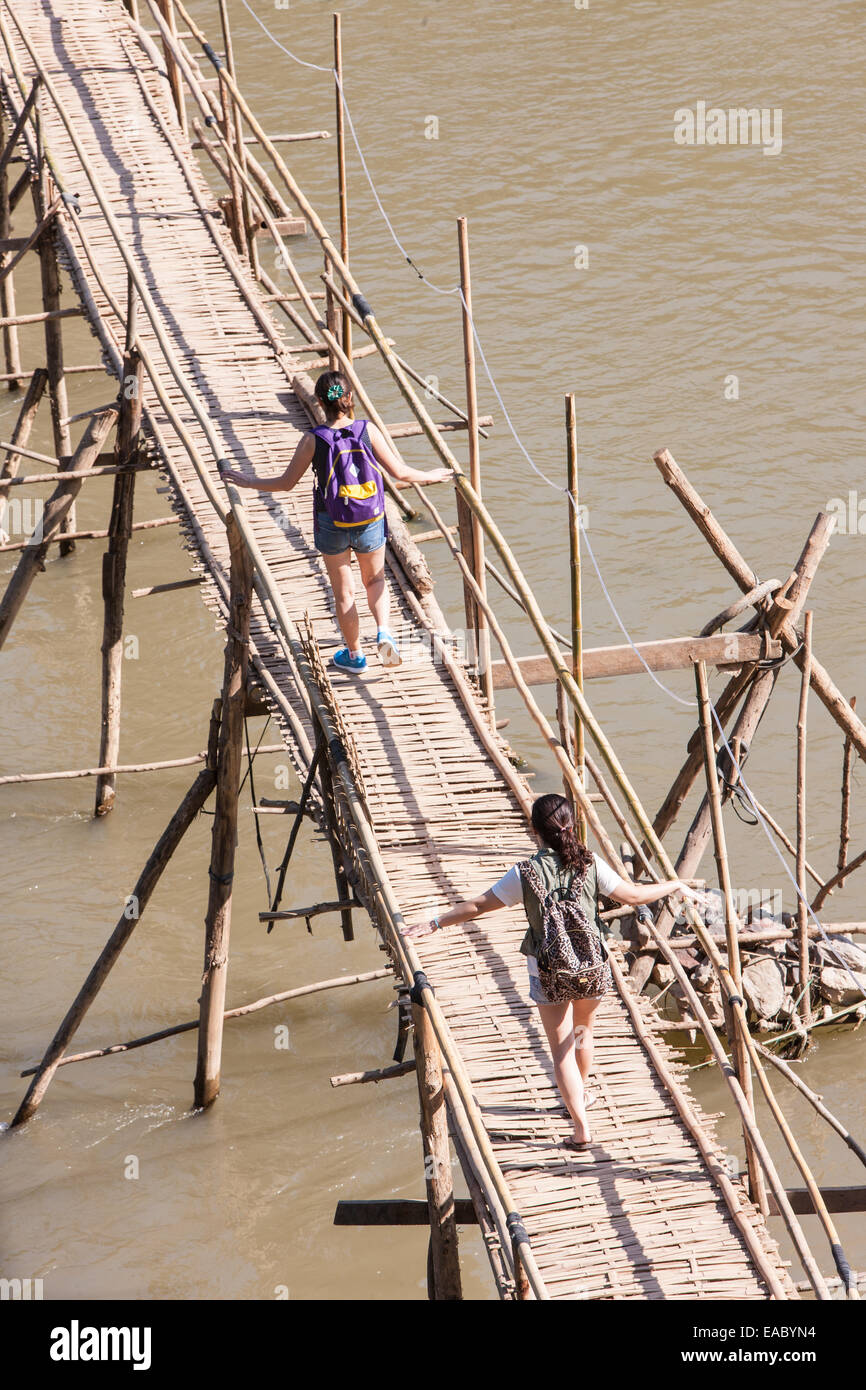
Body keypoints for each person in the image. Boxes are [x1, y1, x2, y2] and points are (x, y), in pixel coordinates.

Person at [405, 793, 699, 1151]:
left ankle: (580, 1127)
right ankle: (581, 1096)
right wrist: (676, 885)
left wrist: (435, 922)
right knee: (582, 1035)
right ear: (572, 826)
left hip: (549, 970)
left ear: (535, 830)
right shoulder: (589, 864)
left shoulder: (524, 873)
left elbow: (478, 906)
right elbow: (635, 896)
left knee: (560, 1051)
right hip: (592, 966)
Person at [221, 371, 450, 673]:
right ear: (350, 398)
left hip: (332, 521)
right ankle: (383, 632)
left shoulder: (313, 440)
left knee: (344, 593)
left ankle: (355, 657)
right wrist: (432, 475)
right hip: (369, 517)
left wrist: (248, 482)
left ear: (318, 402)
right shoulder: (367, 431)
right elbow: (400, 472)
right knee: (376, 580)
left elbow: (286, 483)